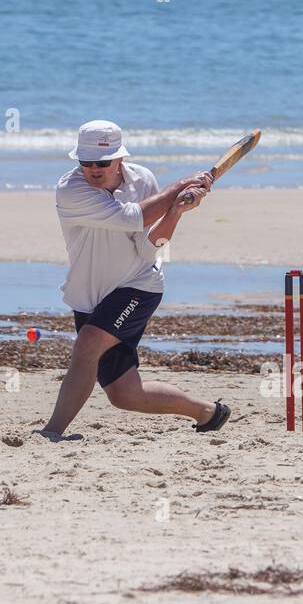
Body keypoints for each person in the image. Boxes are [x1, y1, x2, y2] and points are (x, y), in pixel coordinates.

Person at [36, 120, 228, 441]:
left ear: (119, 159)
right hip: (91, 296)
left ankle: (51, 432)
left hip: (139, 285)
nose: (93, 169)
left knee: (86, 346)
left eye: (102, 162)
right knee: (124, 394)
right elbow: (129, 218)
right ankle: (208, 412)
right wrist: (177, 190)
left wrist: (175, 212)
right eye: (86, 162)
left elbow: (149, 243)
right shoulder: (72, 189)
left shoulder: (143, 180)